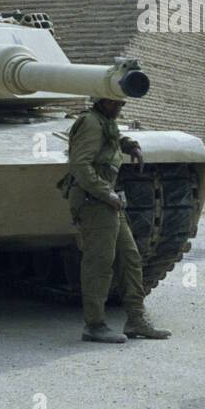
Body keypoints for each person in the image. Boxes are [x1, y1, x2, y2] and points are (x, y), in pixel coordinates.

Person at [65, 96, 171, 343]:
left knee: (130, 258)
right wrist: (106, 192)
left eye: (121, 104)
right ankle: (94, 325)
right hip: (94, 200)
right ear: (100, 101)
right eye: (113, 103)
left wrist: (128, 144)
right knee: (100, 262)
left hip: (107, 200)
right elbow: (80, 165)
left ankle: (136, 319)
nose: (118, 107)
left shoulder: (105, 121)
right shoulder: (90, 122)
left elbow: (111, 137)